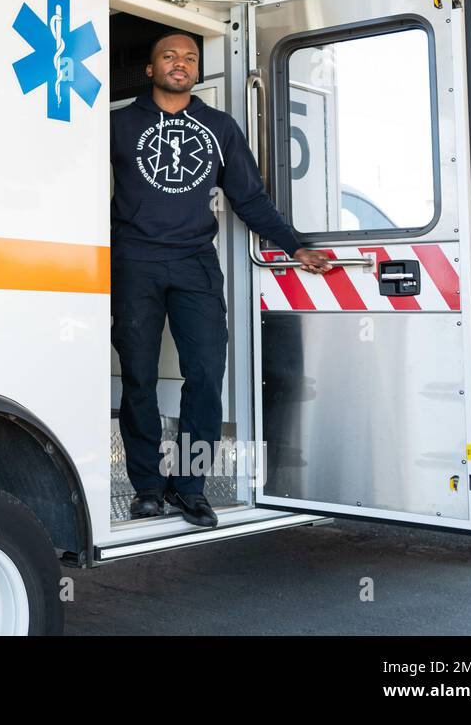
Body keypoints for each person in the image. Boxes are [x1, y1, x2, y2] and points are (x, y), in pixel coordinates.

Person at [110, 30, 332, 528]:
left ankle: (190, 488)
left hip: (195, 265)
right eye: (168, 55)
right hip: (133, 263)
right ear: (150, 69)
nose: (179, 63)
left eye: (189, 57)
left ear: (198, 71)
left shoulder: (219, 126)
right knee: (139, 379)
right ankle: (147, 486)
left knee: (206, 376)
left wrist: (294, 245)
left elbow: (248, 198)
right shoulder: (117, 126)